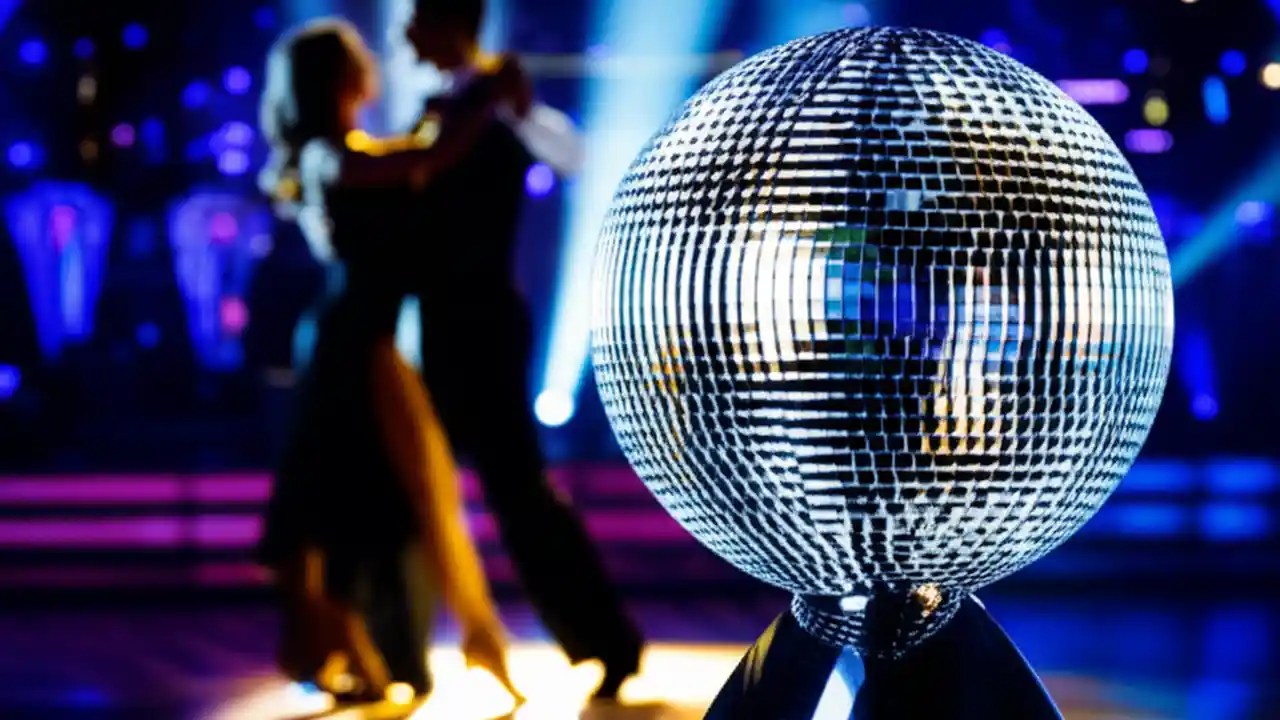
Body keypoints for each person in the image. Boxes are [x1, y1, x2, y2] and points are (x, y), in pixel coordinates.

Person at [256, 17, 525, 704]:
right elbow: (421, 162)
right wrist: (480, 98)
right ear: (338, 80)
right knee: (358, 499)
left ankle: (377, 653)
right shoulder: (326, 155)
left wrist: (460, 111)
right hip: (351, 345)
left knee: (381, 498)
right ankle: (363, 651)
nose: (372, 60)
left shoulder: (348, 148)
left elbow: (416, 156)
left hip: (369, 343)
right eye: (355, 58)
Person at [403, 0, 645, 700]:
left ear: (450, 25)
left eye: (419, 16)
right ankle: (395, 648)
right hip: (441, 322)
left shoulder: (495, 97)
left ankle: (608, 642)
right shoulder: (435, 106)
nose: (407, 32)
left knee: (516, 493)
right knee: (418, 484)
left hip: (482, 322)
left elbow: (569, 155)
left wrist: (516, 108)